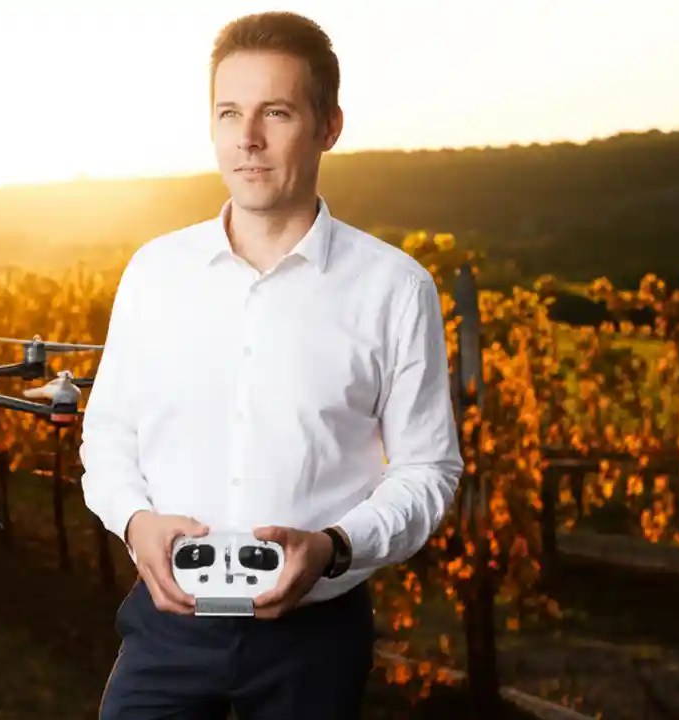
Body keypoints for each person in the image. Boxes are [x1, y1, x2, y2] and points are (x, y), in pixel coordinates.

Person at [79, 10, 462, 719]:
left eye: (276, 113)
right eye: (229, 113)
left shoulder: (394, 289)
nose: (247, 140)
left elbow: (428, 471)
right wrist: (135, 523)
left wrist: (336, 547)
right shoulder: (154, 273)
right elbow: (108, 437)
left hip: (314, 641)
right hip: (166, 632)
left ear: (329, 127)